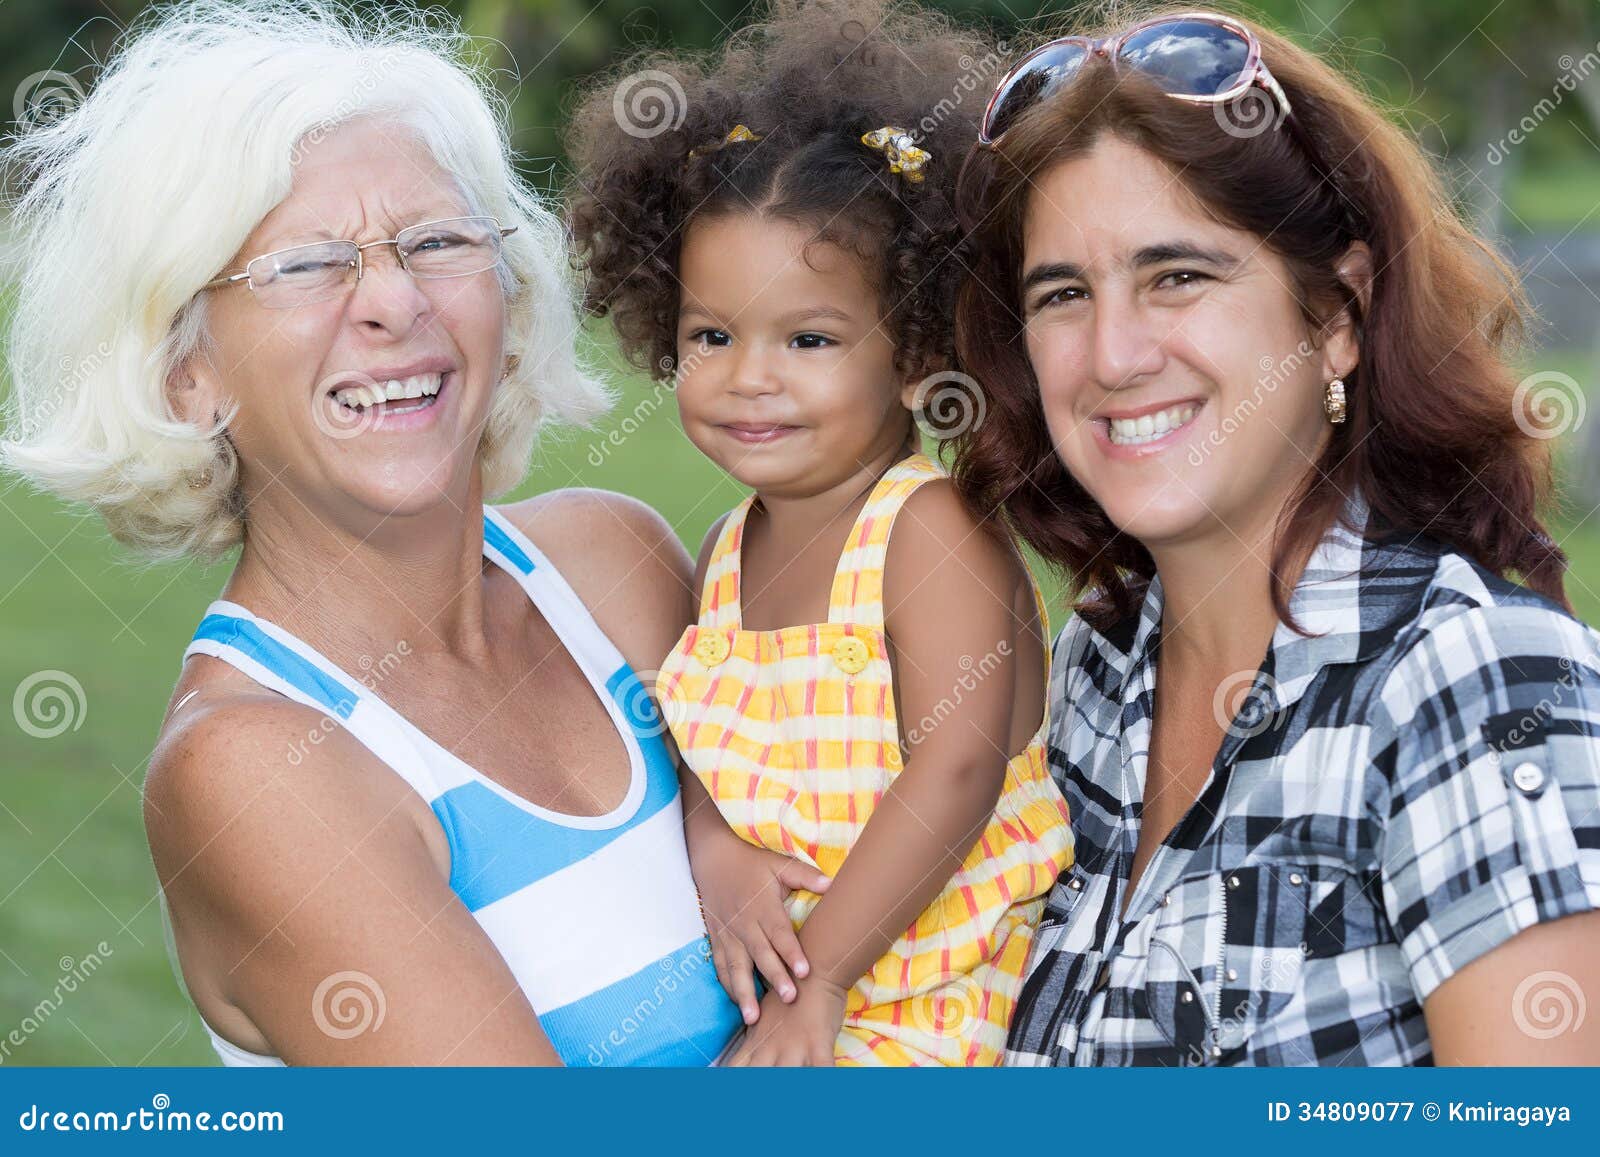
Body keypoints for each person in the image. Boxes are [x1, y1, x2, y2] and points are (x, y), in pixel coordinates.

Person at [2, 0, 747, 1066]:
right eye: (306, 265)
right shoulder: (252, 766)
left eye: (438, 241)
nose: (394, 300)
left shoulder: (613, 565)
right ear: (187, 368)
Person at [951, 6, 1600, 1065]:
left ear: (1336, 314)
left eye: (1178, 276)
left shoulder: (1478, 681)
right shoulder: (1092, 671)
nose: (1111, 355)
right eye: (1062, 293)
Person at [566, 0, 1072, 1066]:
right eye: (712, 333)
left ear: (914, 344)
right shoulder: (721, 556)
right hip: (794, 1016)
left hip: (929, 1021)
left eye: (808, 336)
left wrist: (825, 978)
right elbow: (699, 742)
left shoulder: (923, 532)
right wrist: (716, 844)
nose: (751, 376)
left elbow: (958, 769)